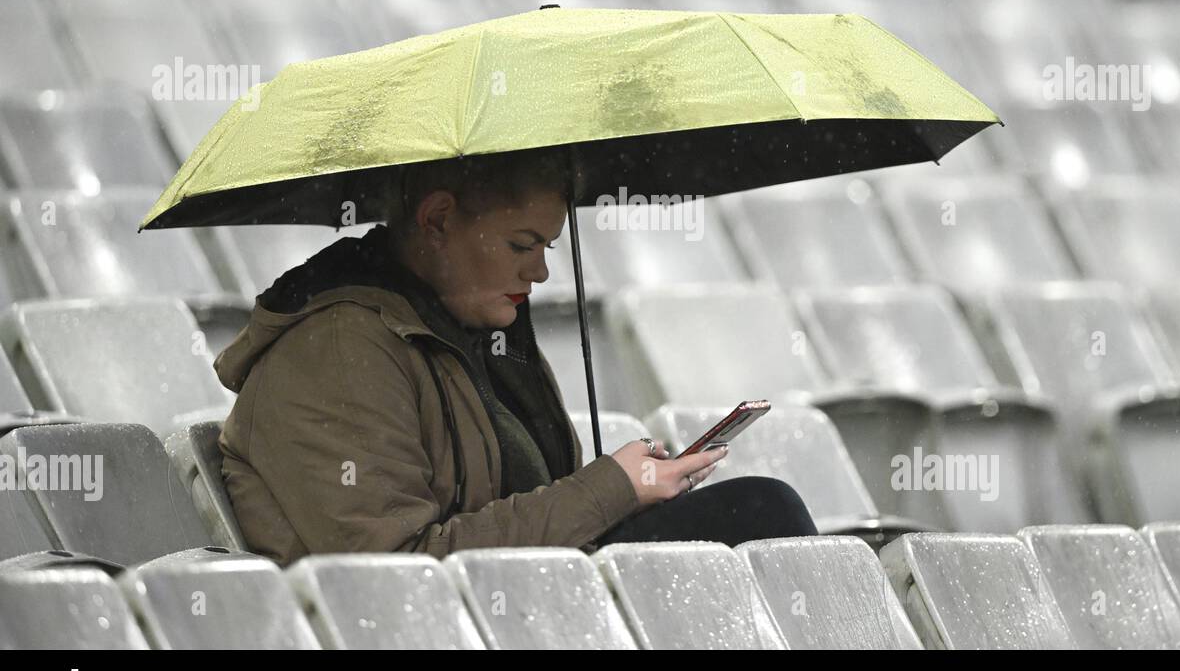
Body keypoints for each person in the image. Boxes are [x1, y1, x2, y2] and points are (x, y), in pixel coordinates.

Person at [215, 148, 817, 566]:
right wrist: (609, 490)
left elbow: (536, 510)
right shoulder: (340, 351)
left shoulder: (474, 328)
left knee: (755, 508)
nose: (543, 269)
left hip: (519, 598)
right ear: (438, 220)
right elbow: (393, 571)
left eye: (549, 245)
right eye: (521, 244)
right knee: (758, 509)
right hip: (440, 624)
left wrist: (631, 492)